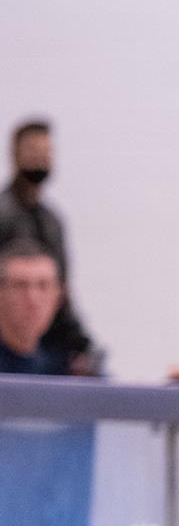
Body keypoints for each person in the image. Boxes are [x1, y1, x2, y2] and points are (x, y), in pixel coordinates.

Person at [0, 119, 97, 374]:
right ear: (16, 155)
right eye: (33, 151)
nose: (40, 159)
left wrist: (80, 342)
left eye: (46, 152)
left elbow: (63, 290)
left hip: (46, 343)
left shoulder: (52, 220)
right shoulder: (4, 213)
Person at [0, 242, 74, 377]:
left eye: (43, 286)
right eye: (19, 286)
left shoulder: (69, 371)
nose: (32, 299)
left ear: (59, 297)